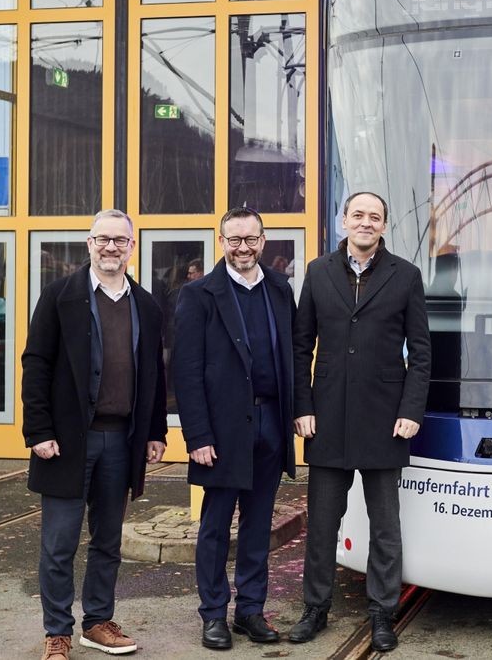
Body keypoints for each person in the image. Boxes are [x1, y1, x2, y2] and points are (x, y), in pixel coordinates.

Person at [22, 209, 168, 660]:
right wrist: (38, 430)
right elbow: (36, 364)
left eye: (119, 241)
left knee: (108, 541)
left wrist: (155, 431)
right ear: (89, 243)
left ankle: (98, 621)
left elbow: (154, 376)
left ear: (132, 247)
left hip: (121, 441)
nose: (111, 248)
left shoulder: (145, 304)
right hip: (67, 443)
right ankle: (57, 631)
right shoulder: (59, 296)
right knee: (59, 544)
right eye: (102, 239)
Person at [289, 191, 431, 652]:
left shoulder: (406, 276)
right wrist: (302, 406)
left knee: (385, 525)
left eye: (375, 216)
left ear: (384, 226)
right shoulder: (317, 272)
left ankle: (383, 613)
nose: (365, 222)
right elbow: (299, 346)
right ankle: (315, 608)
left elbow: (422, 353)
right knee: (323, 523)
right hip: (326, 417)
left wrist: (411, 412)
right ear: (344, 221)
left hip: (385, 419)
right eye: (358, 215)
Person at [172, 208, 298, 650]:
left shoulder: (281, 290)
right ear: (220, 240)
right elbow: (185, 374)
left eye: (251, 239)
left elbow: (293, 359)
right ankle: (213, 615)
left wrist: (295, 414)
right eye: (234, 239)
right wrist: (198, 437)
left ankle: (250, 611)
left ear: (264, 241)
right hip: (221, 433)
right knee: (214, 527)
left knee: (258, 524)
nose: (243, 247)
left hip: (271, 425)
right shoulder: (199, 294)